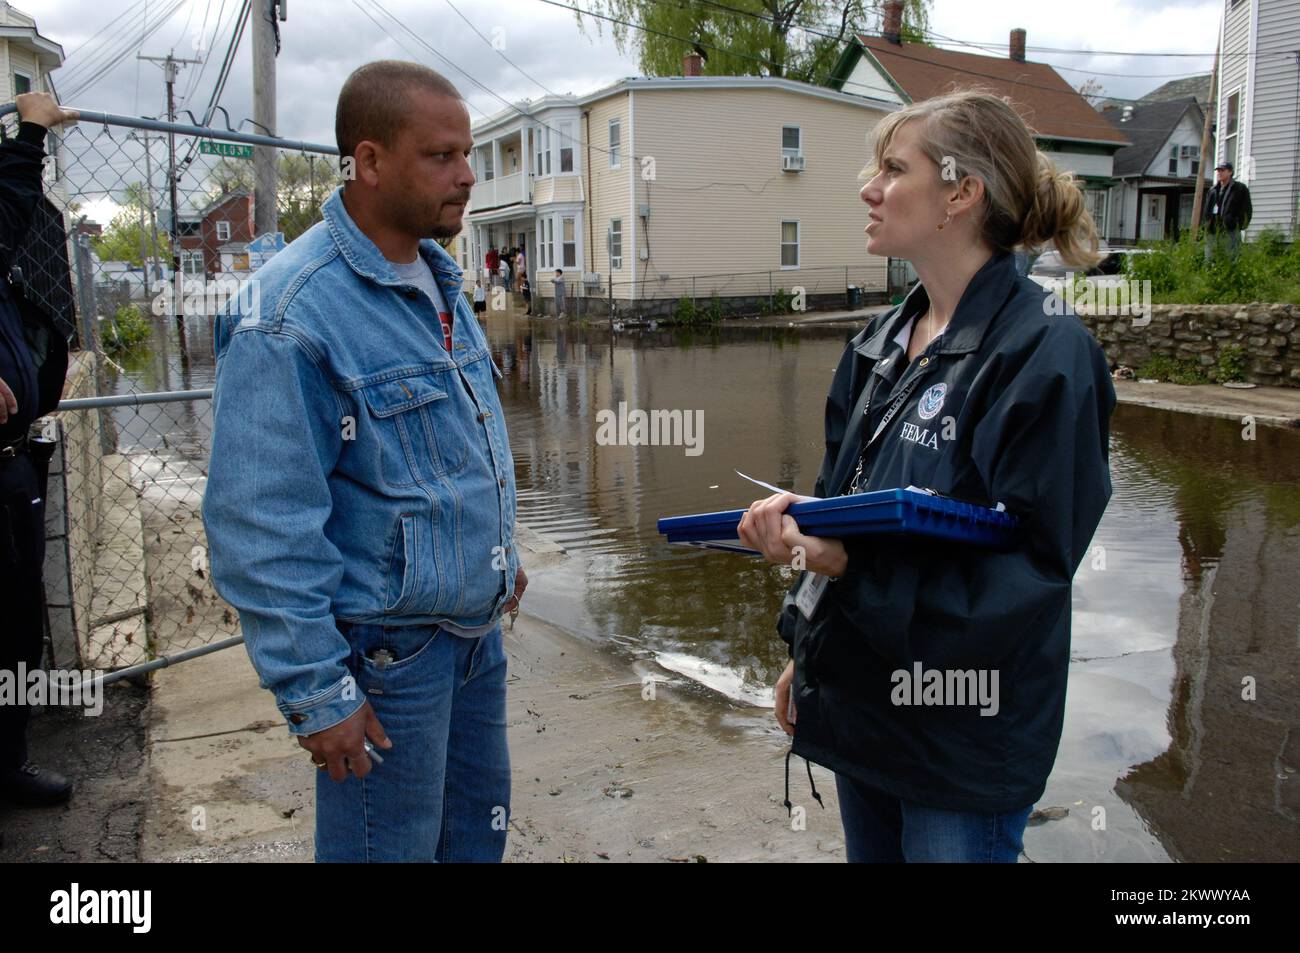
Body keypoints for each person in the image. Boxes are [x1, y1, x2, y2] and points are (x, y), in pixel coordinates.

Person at [737, 90, 1115, 863]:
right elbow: (837, 510)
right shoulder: (878, 342)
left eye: (892, 168)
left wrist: (853, 567)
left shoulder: (1044, 353)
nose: (867, 188)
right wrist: (803, 649)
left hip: (960, 746)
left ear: (960, 193)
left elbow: (1033, 576)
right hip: (863, 716)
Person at [203, 61, 526, 863]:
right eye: (442, 156)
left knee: (473, 845)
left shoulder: (440, 279)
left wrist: (498, 552)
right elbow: (260, 521)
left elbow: (452, 451)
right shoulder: (290, 315)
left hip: (473, 641)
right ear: (370, 161)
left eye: (469, 153)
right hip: (388, 662)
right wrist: (318, 693)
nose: (467, 175)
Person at [0, 92, 77, 806]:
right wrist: (29, 131)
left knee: (20, 621)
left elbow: (12, 212)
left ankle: (8, 758)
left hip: (14, 458)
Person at [1202, 161, 1251, 261]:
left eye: (1222, 170)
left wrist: (1236, 223)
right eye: (1218, 170)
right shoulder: (1213, 190)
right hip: (1213, 231)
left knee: (1230, 260)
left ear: (1230, 172)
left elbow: (1246, 209)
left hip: (1230, 231)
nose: (1219, 173)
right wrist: (1206, 225)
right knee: (1210, 260)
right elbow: (1207, 210)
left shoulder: (1239, 189)